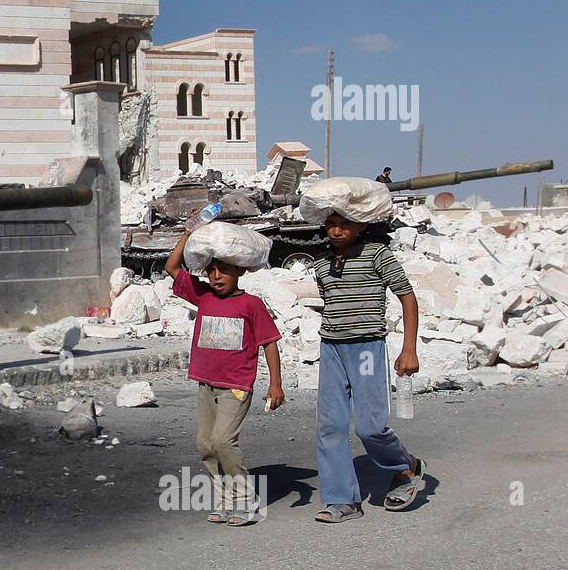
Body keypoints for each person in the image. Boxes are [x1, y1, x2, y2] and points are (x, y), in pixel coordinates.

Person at [311, 213, 426, 523]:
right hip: (332, 348)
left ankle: (405, 465)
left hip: (366, 348)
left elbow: (407, 297)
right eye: (331, 224)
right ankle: (341, 500)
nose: (336, 231)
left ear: (360, 225)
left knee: (370, 426)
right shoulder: (321, 262)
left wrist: (409, 349)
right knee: (330, 426)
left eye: (345, 224)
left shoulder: (377, 254)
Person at [166, 230, 284, 526]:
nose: (217, 276)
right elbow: (171, 268)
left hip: (236, 386)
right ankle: (225, 499)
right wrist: (187, 236)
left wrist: (275, 384)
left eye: (225, 270)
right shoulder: (202, 295)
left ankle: (246, 500)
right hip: (206, 383)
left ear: (240, 270)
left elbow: (269, 342)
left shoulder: (251, 305)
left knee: (223, 440)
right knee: (205, 443)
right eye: (211, 270)